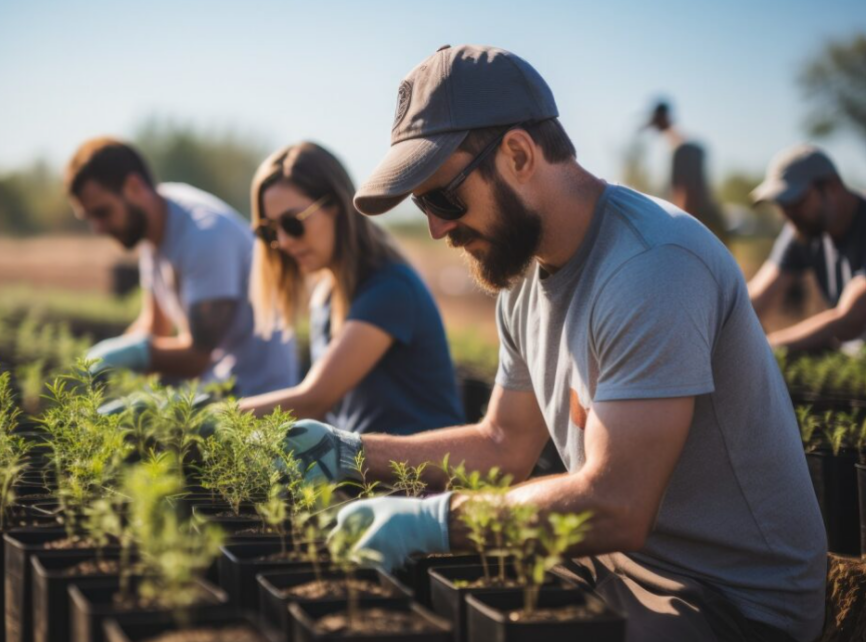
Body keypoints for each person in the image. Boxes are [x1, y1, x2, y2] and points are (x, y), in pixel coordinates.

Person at [282, 45, 825, 642]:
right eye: (421, 205)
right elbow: (503, 443)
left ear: (517, 155)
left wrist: (435, 519)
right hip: (613, 563)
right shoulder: (521, 283)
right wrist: (351, 454)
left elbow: (618, 503)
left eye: (443, 197)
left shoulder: (652, 266)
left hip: (730, 602)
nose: (436, 228)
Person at [237, 142, 464, 436]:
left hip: (420, 476)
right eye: (269, 231)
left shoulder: (389, 289)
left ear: (336, 207)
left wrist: (210, 419)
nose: (284, 242)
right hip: (368, 473)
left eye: (293, 224)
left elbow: (313, 400)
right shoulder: (326, 295)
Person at [64, 137, 298, 396]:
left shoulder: (204, 235)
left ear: (133, 187)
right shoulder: (151, 226)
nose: (97, 228)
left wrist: (126, 356)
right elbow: (155, 326)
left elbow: (196, 357)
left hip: (262, 399)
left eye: (103, 212)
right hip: (216, 391)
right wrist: (103, 359)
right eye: (90, 218)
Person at [747, 144, 866, 350]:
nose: (788, 214)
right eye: (782, 205)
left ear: (832, 188)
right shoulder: (802, 226)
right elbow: (757, 297)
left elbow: (849, 320)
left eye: (796, 201)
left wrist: (762, 350)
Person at [648, 101, 729, 244]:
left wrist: (683, 225)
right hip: (707, 212)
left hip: (697, 216)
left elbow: (685, 188)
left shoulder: (680, 148)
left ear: (662, 118)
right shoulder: (679, 143)